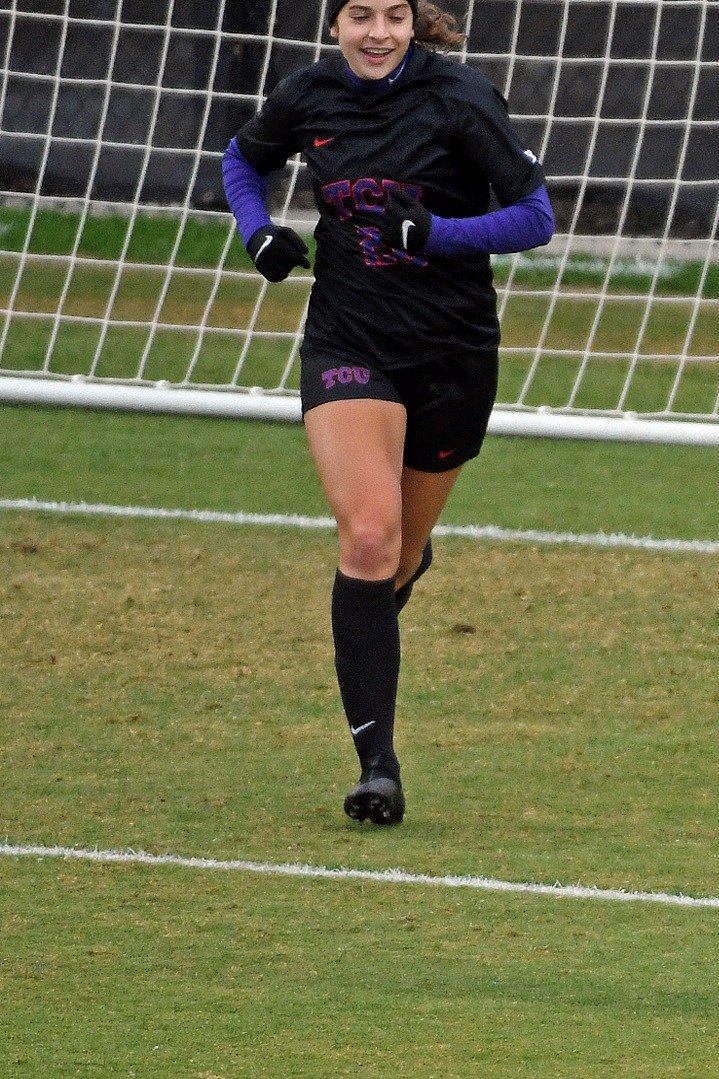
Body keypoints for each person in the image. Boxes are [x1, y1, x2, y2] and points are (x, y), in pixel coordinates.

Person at [222, 0, 554, 825]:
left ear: (416, 22)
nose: (378, 33)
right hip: (349, 335)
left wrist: (434, 232)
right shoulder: (308, 95)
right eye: (359, 15)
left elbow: (536, 217)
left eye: (395, 16)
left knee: (395, 559)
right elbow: (241, 157)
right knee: (367, 539)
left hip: (451, 353)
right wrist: (258, 230)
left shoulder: (462, 97)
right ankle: (379, 768)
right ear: (333, 23)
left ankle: (392, 591)